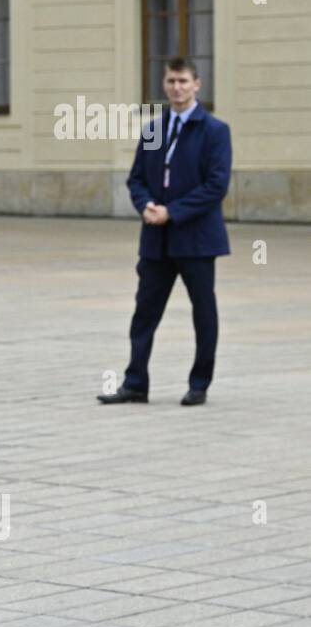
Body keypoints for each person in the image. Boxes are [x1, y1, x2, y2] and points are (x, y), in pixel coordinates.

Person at [99, 57, 232, 407]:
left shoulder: (215, 131)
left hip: (197, 241)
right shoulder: (154, 129)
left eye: (183, 81)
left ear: (197, 85)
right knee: (144, 314)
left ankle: (199, 383)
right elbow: (137, 178)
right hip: (156, 242)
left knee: (203, 314)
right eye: (171, 81)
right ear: (164, 85)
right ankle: (135, 384)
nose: (177, 87)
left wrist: (172, 212)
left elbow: (216, 186)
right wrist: (145, 206)